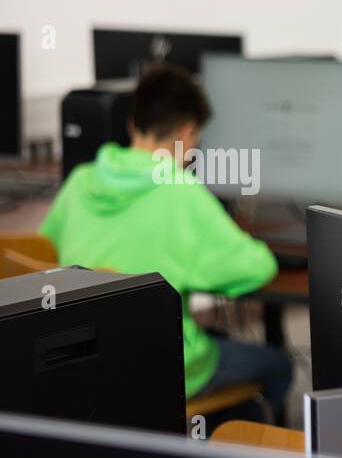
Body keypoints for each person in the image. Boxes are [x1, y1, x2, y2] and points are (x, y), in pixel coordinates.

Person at [39, 63, 292, 420]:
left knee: (214, 335)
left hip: (85, 367)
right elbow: (255, 269)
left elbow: (42, 255)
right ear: (188, 134)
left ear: (132, 124)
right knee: (278, 365)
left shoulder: (81, 181)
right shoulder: (180, 192)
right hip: (166, 368)